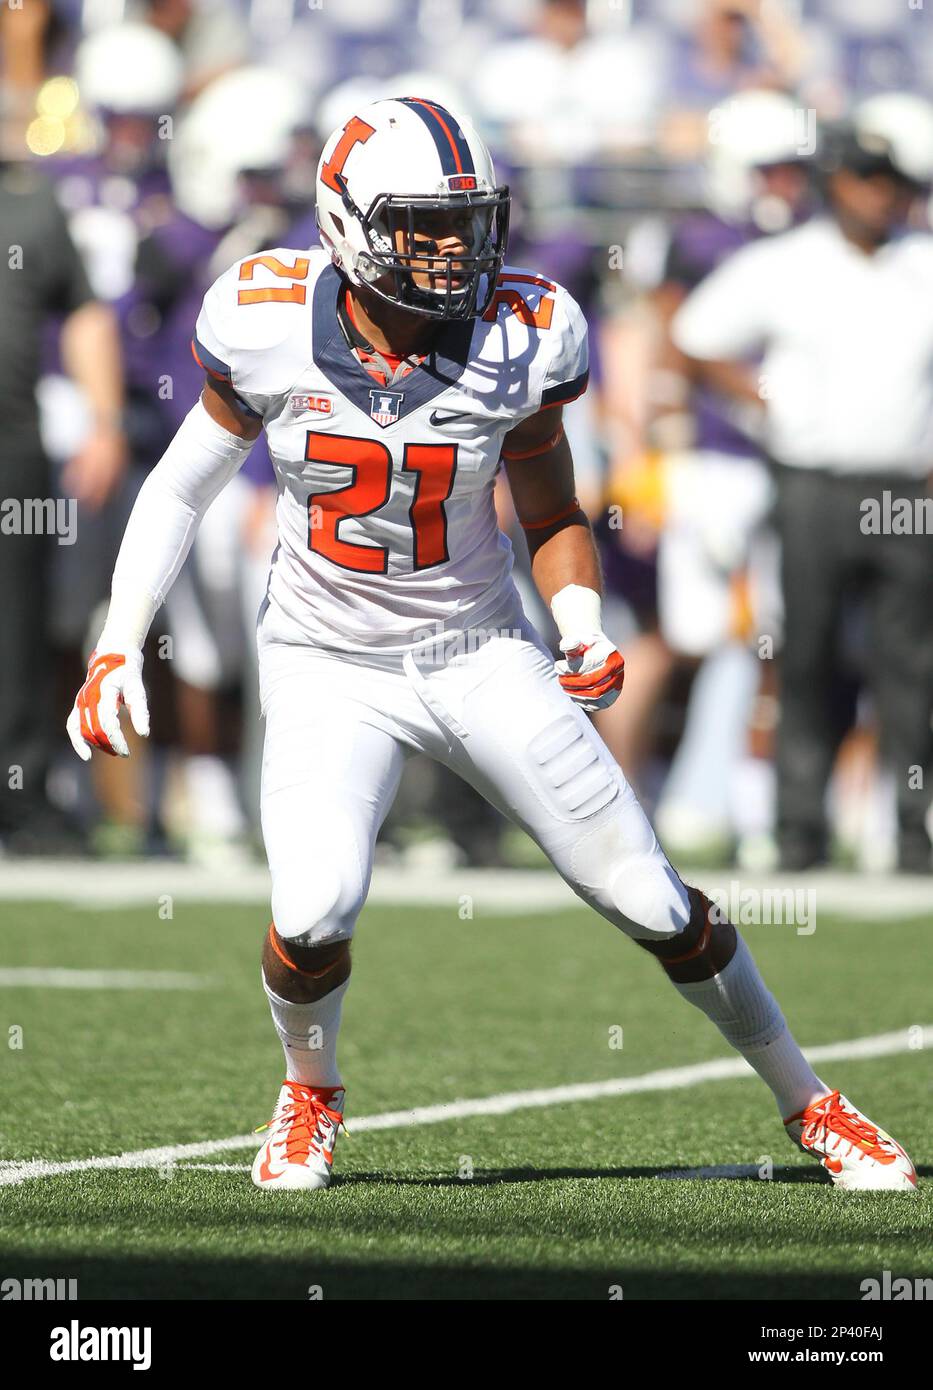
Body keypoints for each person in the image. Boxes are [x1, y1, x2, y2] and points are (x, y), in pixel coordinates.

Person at [68, 97, 916, 1193]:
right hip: (328, 658)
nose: (455, 249)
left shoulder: (523, 331)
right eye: (424, 223)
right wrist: (117, 639)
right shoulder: (267, 313)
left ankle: (813, 1101)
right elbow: (181, 483)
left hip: (477, 646)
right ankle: (310, 1090)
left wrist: (578, 622)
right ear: (346, 220)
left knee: (650, 897)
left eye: (468, 222)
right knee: (312, 906)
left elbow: (555, 507)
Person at [671, 98, 933, 873]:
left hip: (903, 489)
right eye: (865, 175)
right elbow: (693, 338)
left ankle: (913, 833)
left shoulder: (921, 263)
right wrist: (759, 405)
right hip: (811, 484)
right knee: (806, 659)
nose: (879, 191)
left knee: (909, 664)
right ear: (836, 180)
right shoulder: (783, 263)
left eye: (891, 178)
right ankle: (797, 832)